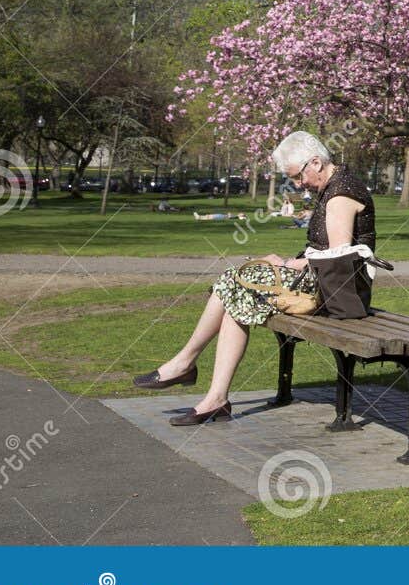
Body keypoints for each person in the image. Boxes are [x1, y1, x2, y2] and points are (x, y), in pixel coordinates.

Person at [132, 131, 376, 426]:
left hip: (335, 293)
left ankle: (188, 368)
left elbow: (335, 257)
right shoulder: (334, 185)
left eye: (298, 177)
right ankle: (210, 392)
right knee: (237, 286)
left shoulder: (341, 194)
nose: (299, 185)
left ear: (316, 162)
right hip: (323, 283)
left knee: (236, 285)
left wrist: (286, 263)